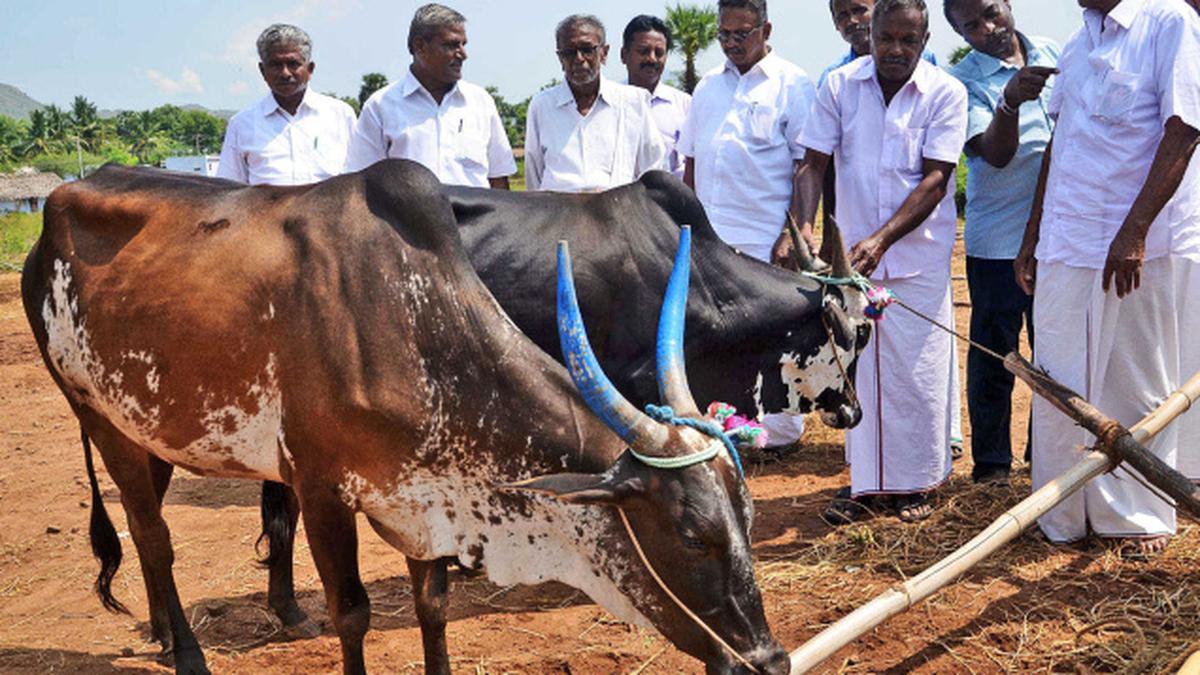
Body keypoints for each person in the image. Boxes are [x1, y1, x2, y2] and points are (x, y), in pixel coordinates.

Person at [1016, 0, 1200, 554]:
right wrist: (1033, 235)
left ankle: (1137, 518)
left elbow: (1186, 127)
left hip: (1138, 243)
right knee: (1058, 380)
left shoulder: (1170, 22)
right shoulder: (1075, 46)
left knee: (1135, 376)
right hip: (1068, 241)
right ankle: (1063, 513)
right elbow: (1059, 145)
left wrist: (1135, 230)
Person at [795, 0, 968, 523]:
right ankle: (867, 487)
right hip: (852, 266)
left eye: (906, 41)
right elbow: (812, 163)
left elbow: (937, 179)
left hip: (916, 259)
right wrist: (807, 224)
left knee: (917, 374)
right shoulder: (839, 87)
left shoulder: (946, 92)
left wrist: (883, 240)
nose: (894, 50)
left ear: (924, 37)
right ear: (868, 34)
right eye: (885, 38)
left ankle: (916, 485)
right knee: (860, 373)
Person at [678, 0, 817, 449]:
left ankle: (778, 435)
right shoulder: (706, 89)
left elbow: (808, 165)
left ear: (766, 28)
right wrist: (687, 226)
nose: (732, 43)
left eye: (742, 33)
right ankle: (731, 426)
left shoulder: (792, 84)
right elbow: (692, 163)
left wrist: (791, 231)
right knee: (719, 336)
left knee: (770, 335)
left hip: (765, 236)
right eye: (725, 34)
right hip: (711, 237)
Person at [945, 0, 1059, 485]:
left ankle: (1047, 459)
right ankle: (992, 466)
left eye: (993, 12)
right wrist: (1009, 102)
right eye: (971, 25)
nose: (988, 28)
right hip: (998, 243)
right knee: (994, 353)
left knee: (1054, 355)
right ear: (957, 30)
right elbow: (994, 152)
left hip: (1059, 237)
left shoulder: (1056, 53)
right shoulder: (961, 81)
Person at [345, 3, 516, 188]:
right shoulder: (381, 106)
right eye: (451, 45)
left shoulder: (480, 102)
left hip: (475, 217)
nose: (463, 54)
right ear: (420, 46)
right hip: (406, 217)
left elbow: (499, 181)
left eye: (463, 44)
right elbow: (360, 184)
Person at [524, 15, 666, 192]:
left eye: (587, 49)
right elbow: (533, 174)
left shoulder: (633, 102)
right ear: (560, 58)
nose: (579, 59)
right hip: (557, 214)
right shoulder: (542, 105)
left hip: (617, 213)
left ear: (604, 53)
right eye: (569, 52)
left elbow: (651, 170)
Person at [217, 24, 356, 185]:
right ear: (262, 71)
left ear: (310, 69)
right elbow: (228, 191)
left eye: (293, 64)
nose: (285, 73)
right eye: (275, 65)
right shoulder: (242, 125)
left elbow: (361, 182)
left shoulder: (340, 115)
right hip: (264, 210)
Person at [620, 15, 692, 179]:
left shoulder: (684, 105)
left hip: (669, 202)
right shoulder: (610, 104)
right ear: (624, 55)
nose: (652, 59)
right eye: (643, 51)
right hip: (619, 201)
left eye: (659, 53)